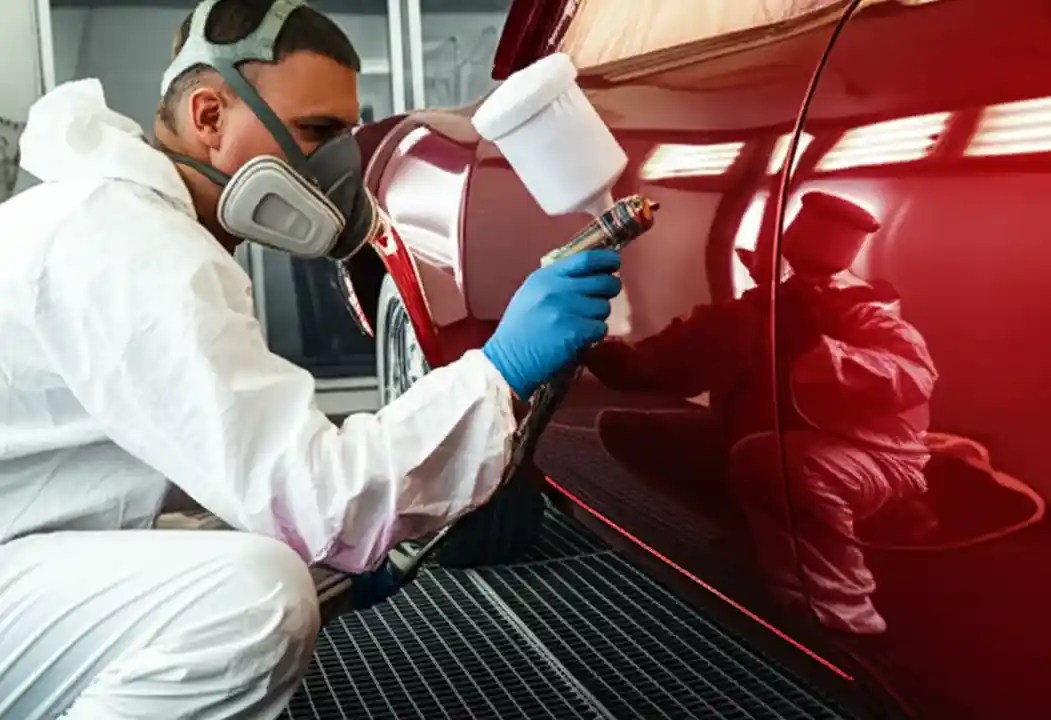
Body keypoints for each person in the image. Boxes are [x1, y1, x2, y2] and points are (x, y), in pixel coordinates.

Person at [0, 1, 621, 717]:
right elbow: (316, 500)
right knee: (256, 598)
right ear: (210, 117)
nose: (336, 166)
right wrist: (500, 369)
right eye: (316, 132)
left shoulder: (112, 217)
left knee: (252, 545)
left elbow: (222, 475)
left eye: (346, 135)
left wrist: (331, 566)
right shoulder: (134, 247)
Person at [588, 191, 937, 635]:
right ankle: (759, 529)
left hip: (869, 457)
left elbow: (912, 379)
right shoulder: (744, 317)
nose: (787, 281)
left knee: (777, 462)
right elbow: (665, 363)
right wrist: (606, 355)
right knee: (628, 431)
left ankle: (840, 618)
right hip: (756, 445)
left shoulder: (865, 314)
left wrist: (819, 351)